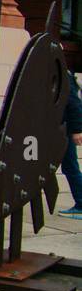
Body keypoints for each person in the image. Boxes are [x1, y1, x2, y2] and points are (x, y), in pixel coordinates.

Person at [61, 71, 82, 218]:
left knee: (70, 166)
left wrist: (76, 130)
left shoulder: (64, 76)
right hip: (60, 130)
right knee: (70, 166)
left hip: (64, 131)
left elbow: (74, 104)